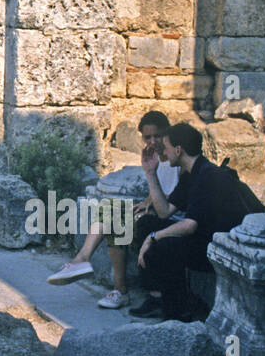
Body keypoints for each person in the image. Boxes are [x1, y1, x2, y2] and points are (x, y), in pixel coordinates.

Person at [46, 111, 179, 309]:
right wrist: (147, 200)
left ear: (167, 134)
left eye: (157, 136)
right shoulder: (155, 158)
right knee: (111, 209)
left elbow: (177, 193)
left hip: (174, 221)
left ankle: (117, 287)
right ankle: (83, 261)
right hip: (157, 212)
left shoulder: (174, 158)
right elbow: (161, 188)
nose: (152, 141)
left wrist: (152, 206)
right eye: (147, 137)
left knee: (117, 221)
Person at [131, 121, 248, 321]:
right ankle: (157, 298)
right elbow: (164, 212)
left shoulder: (209, 175)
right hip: (202, 238)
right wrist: (150, 173)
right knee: (145, 224)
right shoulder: (191, 173)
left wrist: (153, 238)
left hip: (220, 247)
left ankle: (177, 314)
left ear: (178, 150)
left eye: (166, 148)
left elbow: (189, 225)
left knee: (162, 245)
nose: (163, 152)